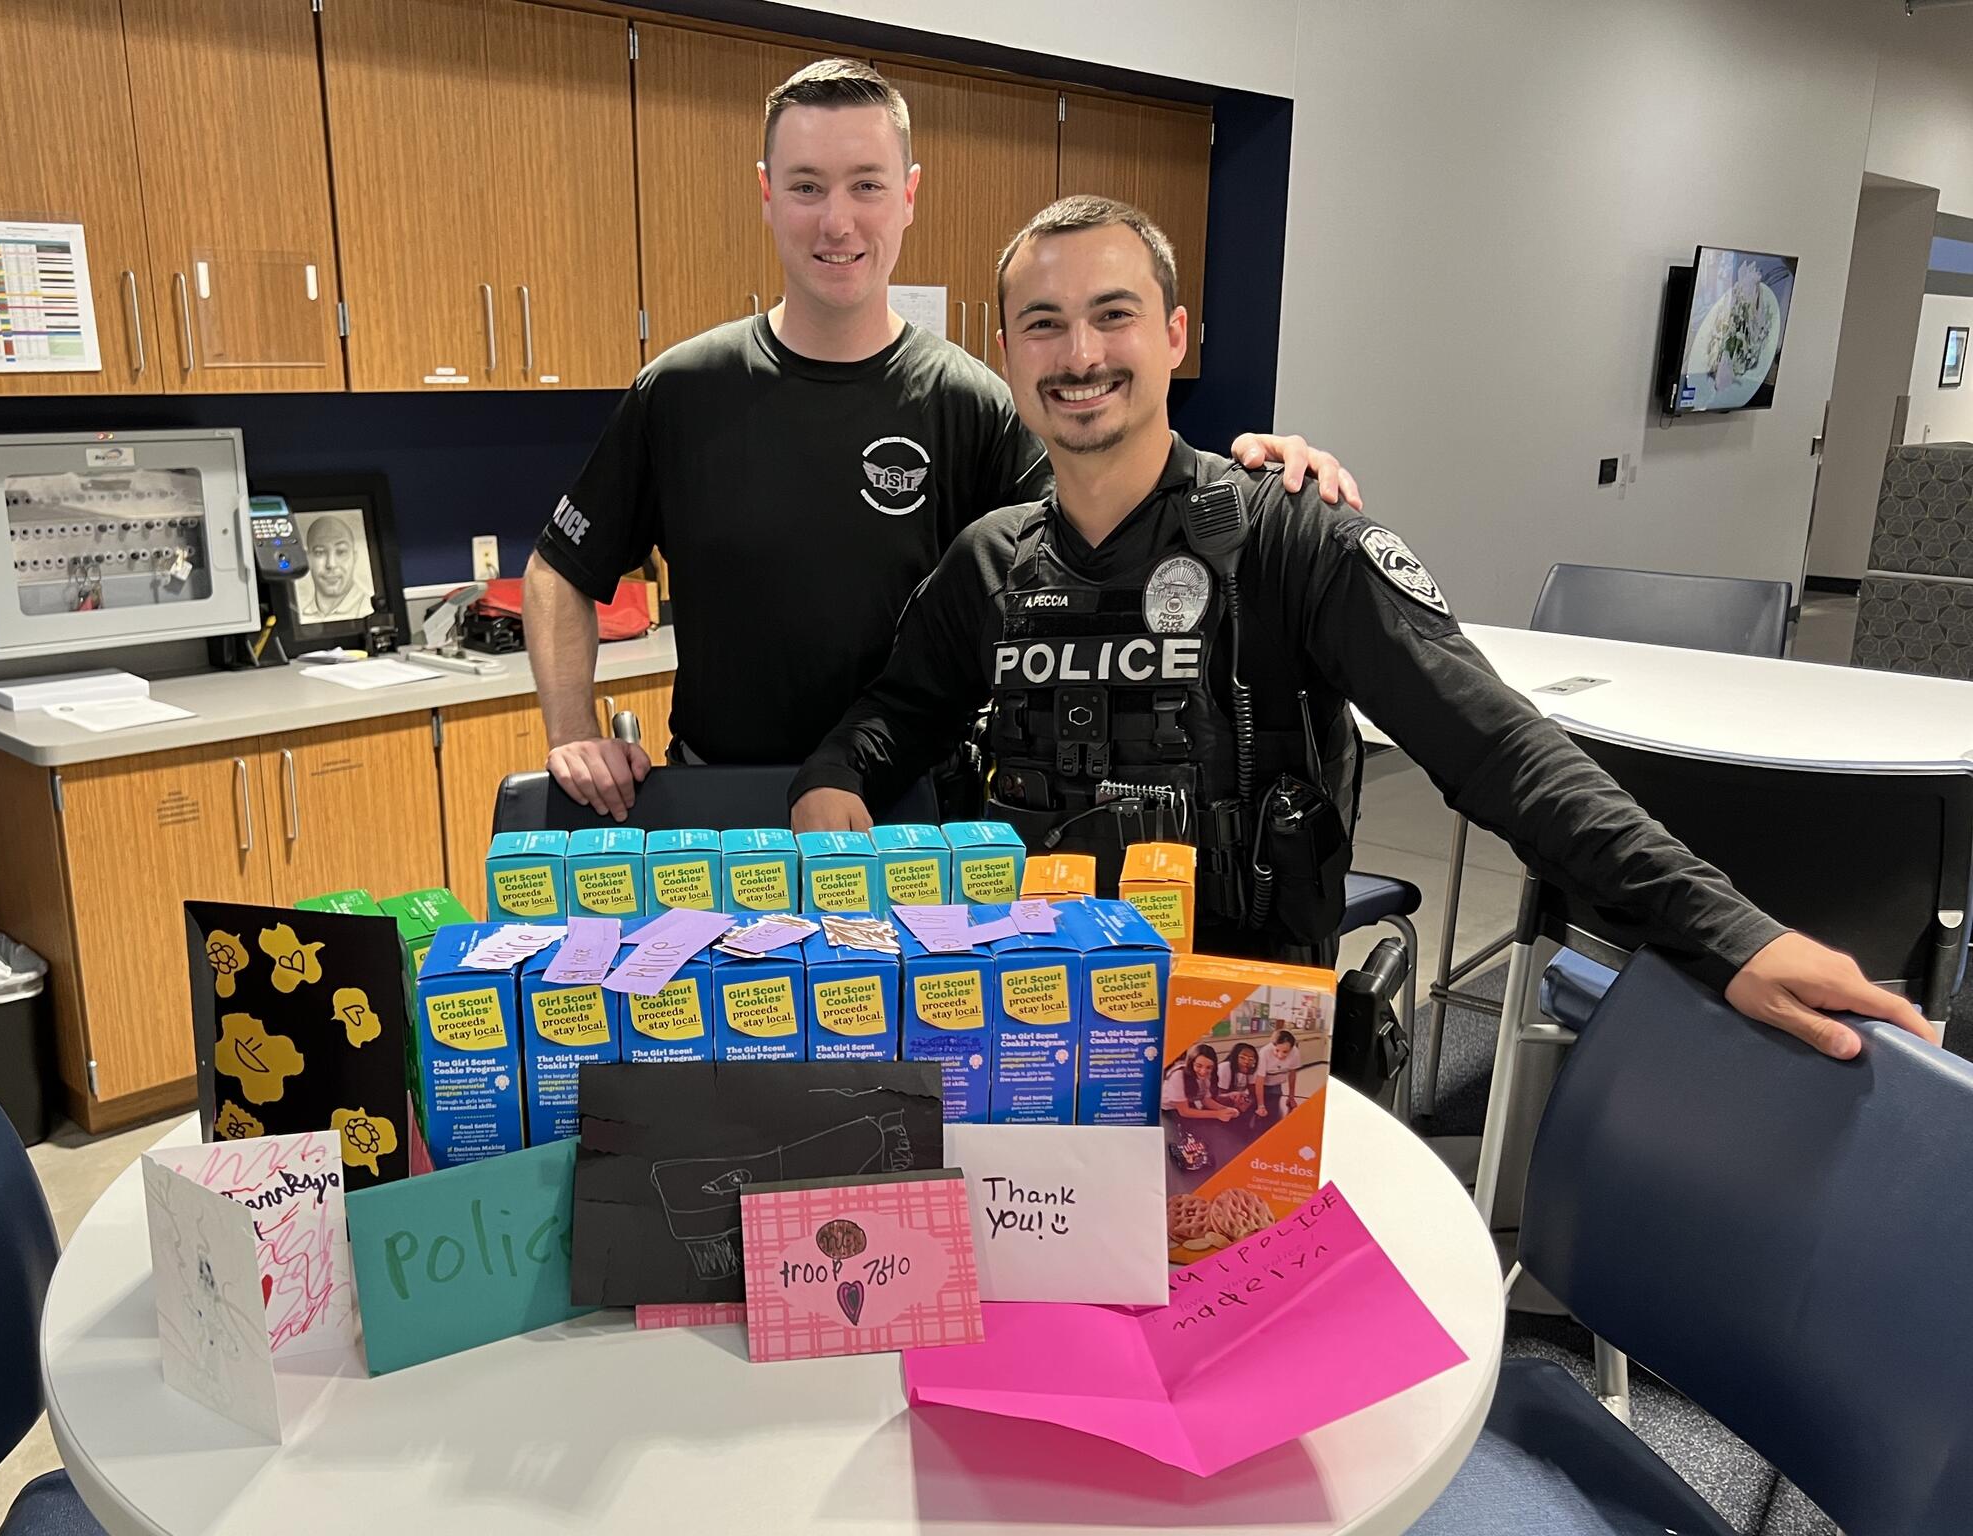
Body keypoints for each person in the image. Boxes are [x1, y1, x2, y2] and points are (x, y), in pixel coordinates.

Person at [790, 193, 1939, 1062]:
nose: (1079, 354)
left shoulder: (1292, 540)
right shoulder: (990, 558)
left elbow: (1500, 753)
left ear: (1176, 335)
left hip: (1237, 1046)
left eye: (1112, 316)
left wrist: (1726, 934)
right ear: (1008, 352)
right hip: (1022, 1026)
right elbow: (900, 712)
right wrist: (837, 777)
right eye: (1043, 325)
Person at [523, 58, 1358, 821]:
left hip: (918, 806)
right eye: (808, 187)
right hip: (719, 802)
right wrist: (572, 730)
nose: (837, 221)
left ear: (910, 194)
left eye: (867, 186)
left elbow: (1114, 523)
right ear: (768, 194)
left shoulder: (973, 402)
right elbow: (561, 569)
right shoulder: (682, 391)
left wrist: (1241, 477)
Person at [298, 514, 372, 624]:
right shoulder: (301, 615)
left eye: (341, 552)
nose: (331, 564)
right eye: (320, 552)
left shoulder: (369, 609)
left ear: (354, 557)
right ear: (308, 559)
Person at [1161, 1045, 1237, 1121]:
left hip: (1188, 1104)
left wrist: (1227, 1109)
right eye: (1198, 1066)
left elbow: (1206, 1100)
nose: (1203, 1072)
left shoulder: (1209, 1076)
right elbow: (1184, 1112)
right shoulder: (1178, 1075)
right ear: (1191, 1063)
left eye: (1209, 1067)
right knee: (1174, 1132)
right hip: (1166, 1110)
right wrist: (1217, 1114)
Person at [1218, 1040, 1267, 1124]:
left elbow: (1253, 1093)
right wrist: (1232, 1097)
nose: (1246, 1062)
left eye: (1251, 1059)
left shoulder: (1250, 1070)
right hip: (1218, 1108)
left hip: (1235, 1110)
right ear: (1234, 1057)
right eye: (1242, 1058)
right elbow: (1217, 1097)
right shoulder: (1224, 1067)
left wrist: (1248, 1102)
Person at [1258, 1028, 1301, 1118]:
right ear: (1272, 1045)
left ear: (1291, 1049)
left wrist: (1291, 1097)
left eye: (1285, 1052)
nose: (1280, 1055)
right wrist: (1260, 1105)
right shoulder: (1264, 1053)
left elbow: (1292, 1075)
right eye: (1277, 1050)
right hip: (1261, 1085)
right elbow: (1259, 1080)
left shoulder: (1295, 1052)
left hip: (1276, 1084)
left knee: (1275, 1113)